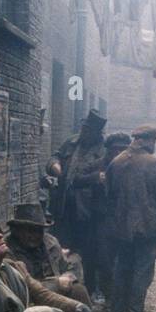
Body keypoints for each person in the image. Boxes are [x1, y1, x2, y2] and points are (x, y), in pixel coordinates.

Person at [106, 125, 156, 312]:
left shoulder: (116, 162)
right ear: (145, 140)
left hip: (121, 227)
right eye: (153, 141)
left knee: (122, 269)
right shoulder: (155, 164)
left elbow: (109, 193)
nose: (154, 145)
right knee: (142, 271)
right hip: (147, 227)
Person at [49, 110, 107, 285]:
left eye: (88, 130)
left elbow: (101, 179)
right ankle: (62, 283)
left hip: (88, 212)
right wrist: (54, 165)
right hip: (64, 207)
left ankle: (88, 287)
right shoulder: (72, 143)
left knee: (89, 252)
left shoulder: (103, 151)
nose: (84, 132)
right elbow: (55, 155)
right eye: (83, 128)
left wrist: (94, 178)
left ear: (97, 133)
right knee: (62, 248)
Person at [4, 203, 91, 307]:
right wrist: (56, 284)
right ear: (17, 230)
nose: (35, 236)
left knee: (78, 291)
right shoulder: (6, 251)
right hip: (28, 302)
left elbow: (68, 267)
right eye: (30, 231)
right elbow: (21, 287)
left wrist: (68, 276)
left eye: (39, 230)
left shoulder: (50, 243)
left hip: (55, 296)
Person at [88, 131, 132, 304]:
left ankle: (123, 298)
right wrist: (95, 178)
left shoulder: (131, 165)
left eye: (123, 149)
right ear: (108, 150)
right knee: (105, 260)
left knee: (125, 260)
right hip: (103, 221)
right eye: (116, 149)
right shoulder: (99, 165)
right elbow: (75, 179)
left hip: (125, 220)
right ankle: (108, 296)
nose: (119, 153)